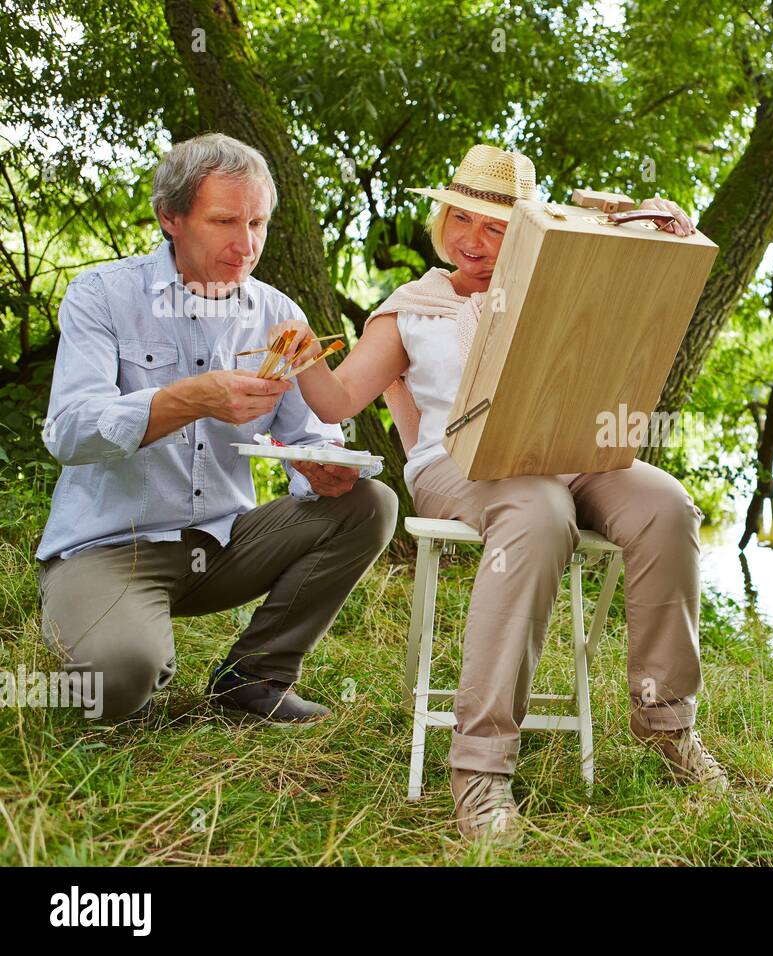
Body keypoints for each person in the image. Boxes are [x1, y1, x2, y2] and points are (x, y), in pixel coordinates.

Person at [272, 143, 727, 840]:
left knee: (666, 505)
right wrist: (302, 356)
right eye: (461, 220)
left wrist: (668, 227)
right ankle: (481, 774)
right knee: (540, 513)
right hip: (460, 465)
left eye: (495, 228)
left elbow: (649, 291)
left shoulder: (565, 286)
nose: (473, 241)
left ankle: (666, 724)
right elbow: (336, 401)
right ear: (441, 220)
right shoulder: (412, 308)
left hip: (571, 451)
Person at [36, 133, 398, 726]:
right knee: (116, 684)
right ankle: (129, 643)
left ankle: (253, 679)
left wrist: (320, 465)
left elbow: (307, 433)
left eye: (258, 223)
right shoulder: (102, 296)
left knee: (370, 502)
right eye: (226, 221)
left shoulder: (281, 314)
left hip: (224, 543)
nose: (246, 244)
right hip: (109, 545)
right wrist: (186, 399)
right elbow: (71, 433)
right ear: (170, 218)